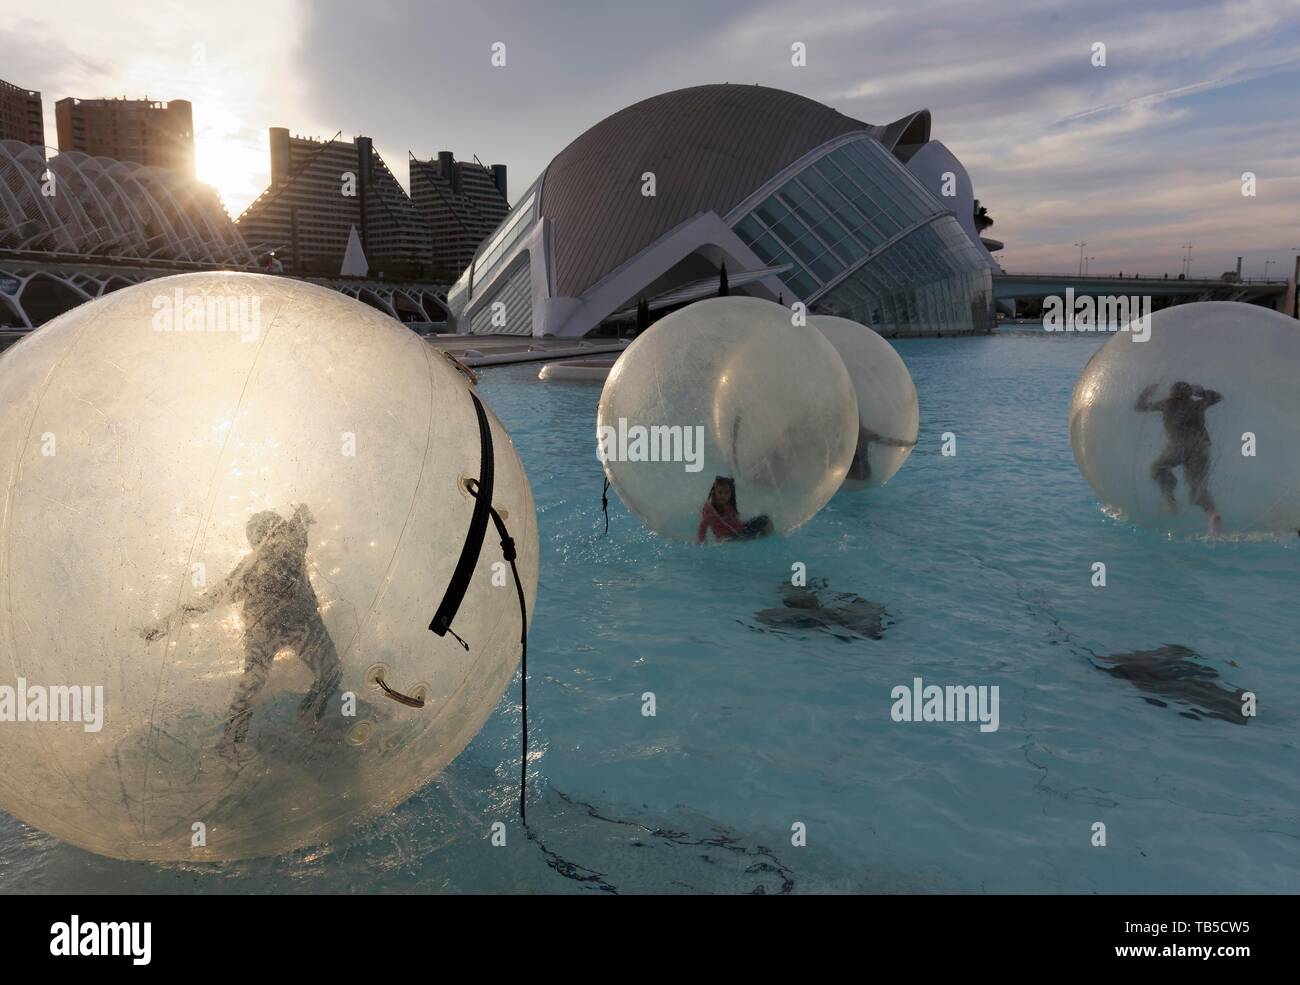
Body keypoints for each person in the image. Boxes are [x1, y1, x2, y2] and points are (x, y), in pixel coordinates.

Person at [141, 503, 341, 759]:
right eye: (265, 539)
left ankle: (304, 717)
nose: (272, 544)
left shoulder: (290, 540)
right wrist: (163, 626)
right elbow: (208, 600)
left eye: (275, 533)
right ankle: (230, 741)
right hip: (267, 627)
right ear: (257, 544)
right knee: (254, 681)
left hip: (301, 621)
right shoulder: (252, 567)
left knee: (330, 671)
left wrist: (304, 515)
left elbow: (301, 517)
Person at [1135, 381, 1223, 535]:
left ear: (1172, 393)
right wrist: (1202, 392)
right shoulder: (1198, 405)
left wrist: (1147, 392)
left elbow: (1139, 407)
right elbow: (1218, 396)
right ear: (1189, 393)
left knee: (1157, 469)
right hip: (1199, 448)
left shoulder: (1167, 404)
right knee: (1197, 490)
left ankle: (1170, 501)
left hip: (1178, 447)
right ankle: (1212, 514)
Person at [697, 476, 773, 544]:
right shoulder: (711, 511)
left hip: (739, 530)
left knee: (764, 519)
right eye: (720, 492)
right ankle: (763, 538)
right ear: (714, 492)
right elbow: (702, 527)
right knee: (761, 529)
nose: (723, 495)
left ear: (731, 493)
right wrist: (702, 541)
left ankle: (767, 536)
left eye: (727, 493)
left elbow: (734, 520)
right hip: (731, 537)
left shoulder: (727, 505)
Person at [847, 425, 917, 484]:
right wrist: (907, 443)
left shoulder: (852, 433)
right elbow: (887, 441)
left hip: (850, 474)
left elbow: (887, 441)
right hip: (863, 474)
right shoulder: (864, 433)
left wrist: (907, 443)